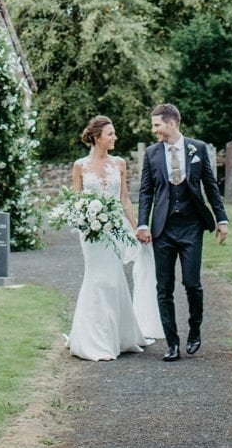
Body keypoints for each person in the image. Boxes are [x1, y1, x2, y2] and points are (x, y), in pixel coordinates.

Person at [136, 102, 228, 362]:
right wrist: (143, 224)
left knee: (192, 283)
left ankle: (195, 329)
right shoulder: (152, 153)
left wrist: (222, 219)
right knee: (163, 287)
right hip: (163, 228)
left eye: (157, 125)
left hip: (191, 227)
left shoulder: (197, 148)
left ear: (172, 123)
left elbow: (210, 185)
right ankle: (172, 343)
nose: (154, 130)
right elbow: (146, 191)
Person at [67, 115, 162, 360]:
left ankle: (118, 336)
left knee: (113, 279)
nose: (115, 137)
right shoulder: (80, 166)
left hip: (115, 229)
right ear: (97, 137)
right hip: (91, 233)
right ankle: (93, 339)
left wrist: (138, 227)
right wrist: (84, 219)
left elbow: (125, 199)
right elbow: (76, 201)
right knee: (97, 279)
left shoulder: (119, 164)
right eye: (110, 134)